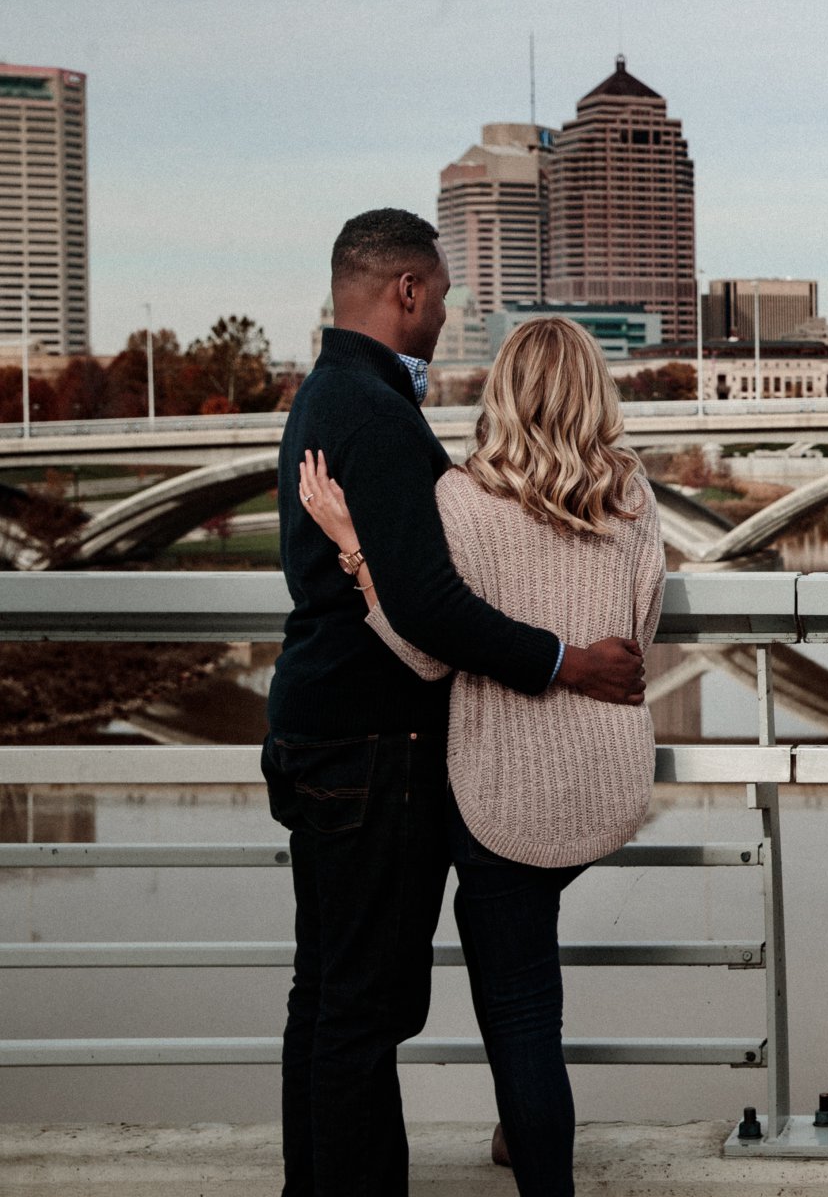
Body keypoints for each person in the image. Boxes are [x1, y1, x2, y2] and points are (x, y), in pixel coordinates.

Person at [265, 210, 646, 1197]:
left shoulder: (334, 397)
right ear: (406, 290)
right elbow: (434, 612)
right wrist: (570, 659)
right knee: (363, 1005)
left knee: (332, 994)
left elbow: (427, 605)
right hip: (369, 747)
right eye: (440, 293)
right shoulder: (378, 418)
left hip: (344, 741)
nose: (445, 312)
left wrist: (359, 557)